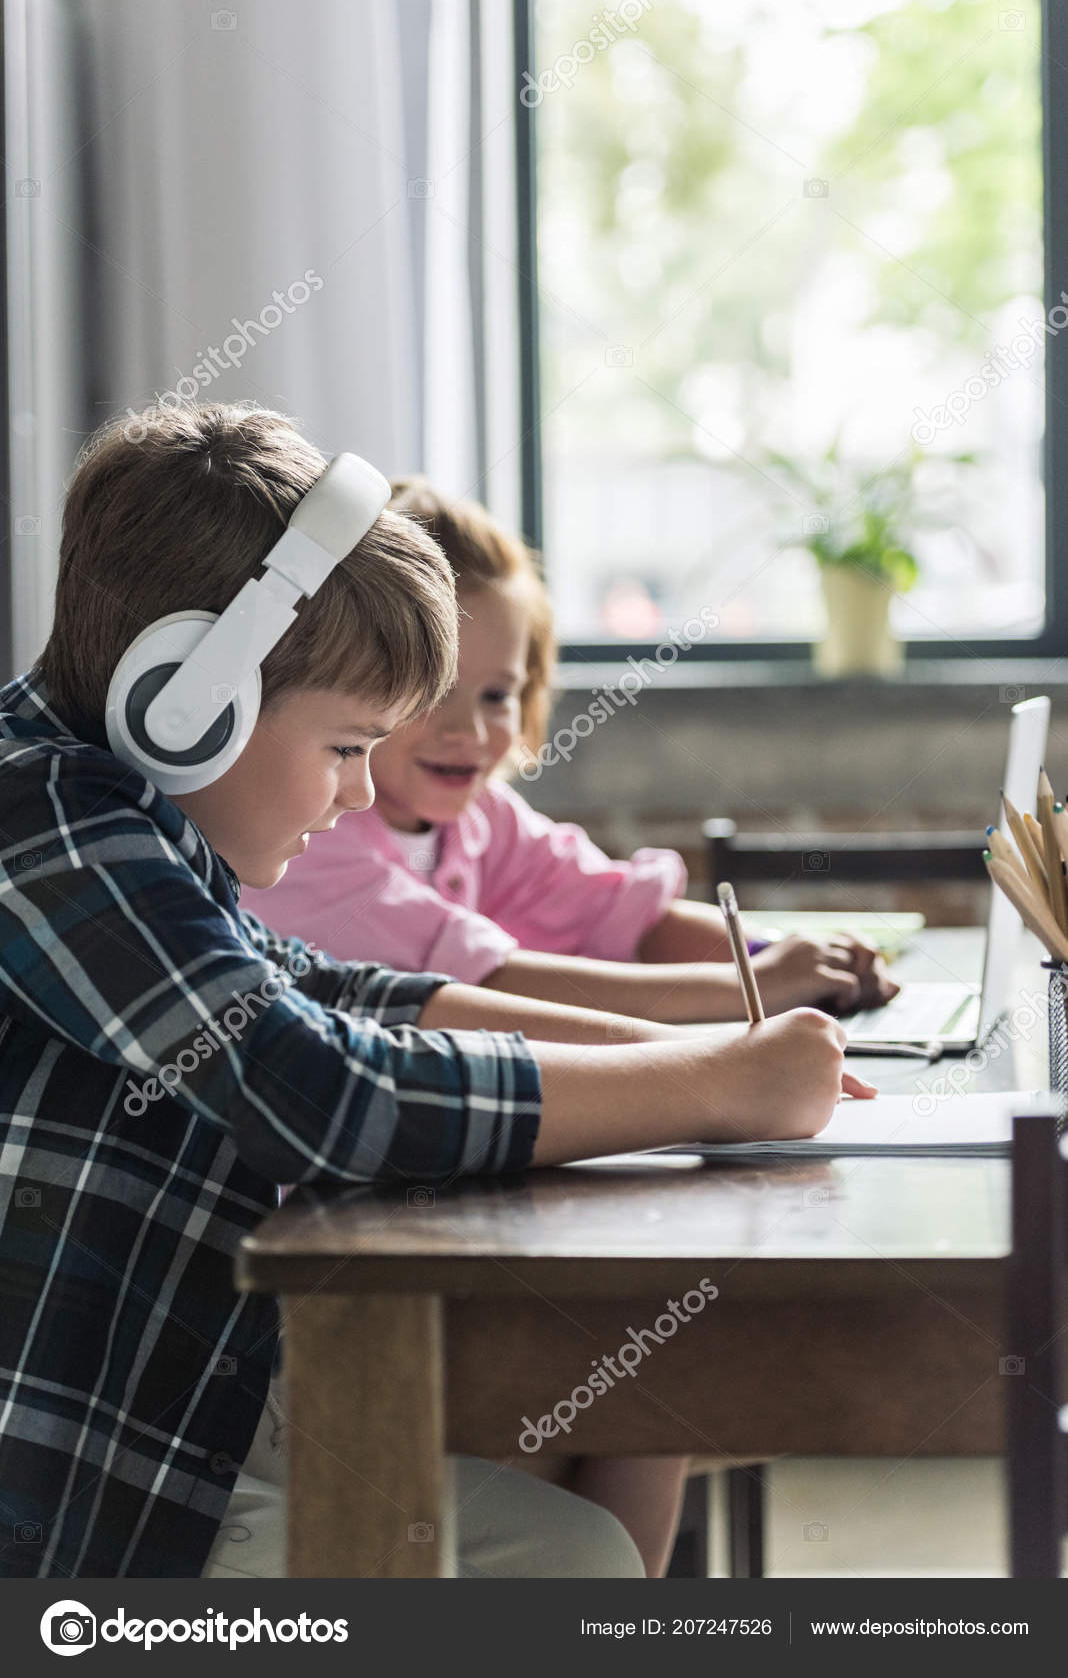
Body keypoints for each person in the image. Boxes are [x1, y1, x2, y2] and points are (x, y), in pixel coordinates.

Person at [0, 406, 871, 1581]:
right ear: (186, 701)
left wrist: (700, 1056)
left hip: (175, 1392)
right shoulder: (44, 824)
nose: (361, 792)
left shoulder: (128, 815)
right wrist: (713, 1087)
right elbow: (310, 1082)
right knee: (571, 1560)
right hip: (78, 1502)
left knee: (583, 1534)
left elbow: (340, 990)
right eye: (349, 743)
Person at [250, 476, 900, 1023]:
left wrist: (782, 956)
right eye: (433, 693)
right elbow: (486, 988)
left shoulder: (484, 822)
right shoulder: (308, 833)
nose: (470, 733)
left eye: (497, 696)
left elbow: (625, 918)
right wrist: (753, 989)